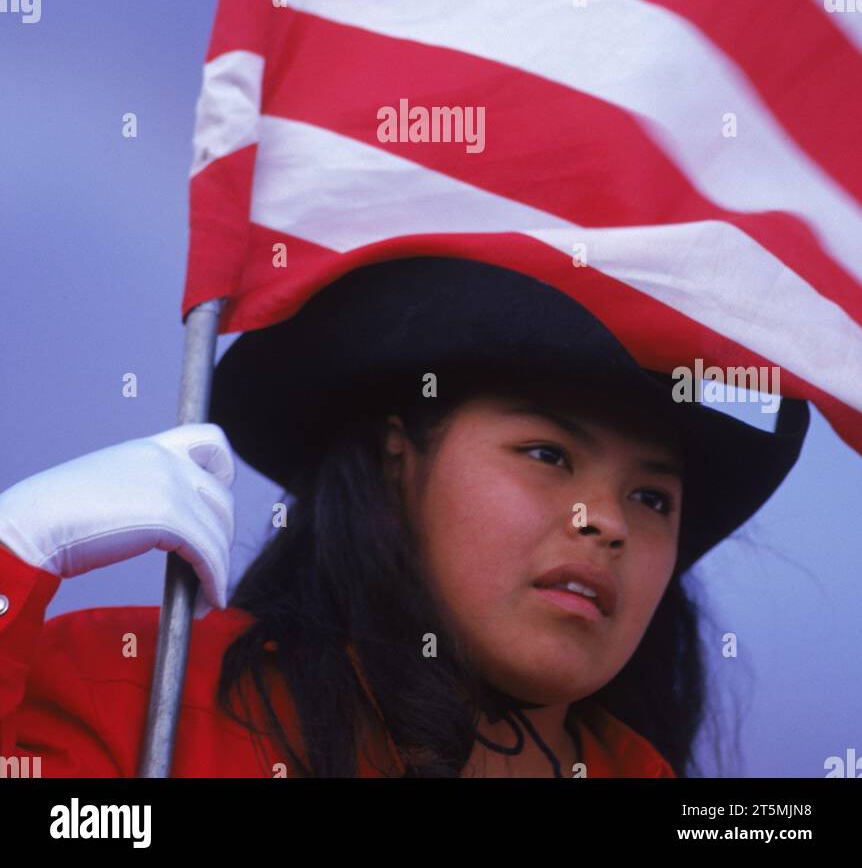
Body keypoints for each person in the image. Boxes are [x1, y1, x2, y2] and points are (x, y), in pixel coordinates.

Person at [0, 257, 809, 778]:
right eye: (547, 455)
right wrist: (9, 558)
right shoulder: (141, 698)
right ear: (399, 459)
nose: (606, 521)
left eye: (652, 498)